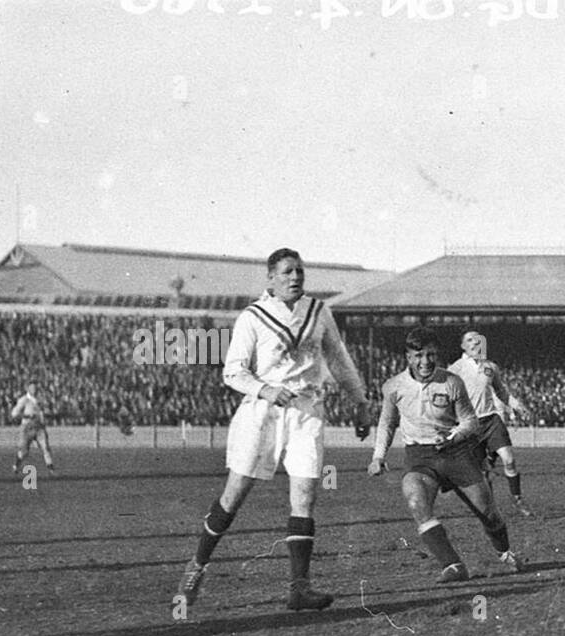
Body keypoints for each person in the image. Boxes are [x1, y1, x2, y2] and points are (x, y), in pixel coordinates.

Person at [177, 248, 373, 611]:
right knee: (233, 495)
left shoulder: (319, 311)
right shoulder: (252, 317)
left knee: (305, 497)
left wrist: (360, 403)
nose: (295, 277)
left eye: (299, 271)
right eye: (286, 272)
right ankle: (197, 566)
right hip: (262, 413)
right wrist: (266, 389)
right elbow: (232, 371)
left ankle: (299, 588)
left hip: (307, 411)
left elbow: (339, 359)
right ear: (270, 278)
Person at [368, 327, 524, 581]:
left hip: (457, 454)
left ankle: (505, 552)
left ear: (437, 354)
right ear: (408, 356)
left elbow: (470, 422)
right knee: (416, 502)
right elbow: (387, 423)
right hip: (420, 456)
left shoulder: (451, 382)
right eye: (418, 355)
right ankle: (452, 565)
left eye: (430, 355)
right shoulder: (394, 387)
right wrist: (378, 457)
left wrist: (451, 436)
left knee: (488, 513)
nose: (425, 361)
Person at [446, 331, 534, 517]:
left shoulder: (490, 367)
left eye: (478, 340)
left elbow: (502, 392)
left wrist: (518, 406)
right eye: (470, 340)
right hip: (470, 425)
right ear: (462, 346)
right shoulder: (455, 369)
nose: (475, 343)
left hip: (491, 420)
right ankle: (490, 508)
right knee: (484, 471)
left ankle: (518, 500)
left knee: (509, 459)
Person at [11, 382, 55, 473]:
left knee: (45, 447)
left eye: (35, 388)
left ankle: (51, 469)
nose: (34, 390)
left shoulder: (40, 399)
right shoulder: (24, 400)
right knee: (24, 451)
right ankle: (16, 466)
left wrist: (46, 413)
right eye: (32, 388)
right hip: (27, 427)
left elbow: (45, 410)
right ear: (28, 389)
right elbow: (14, 413)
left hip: (39, 427)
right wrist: (26, 416)